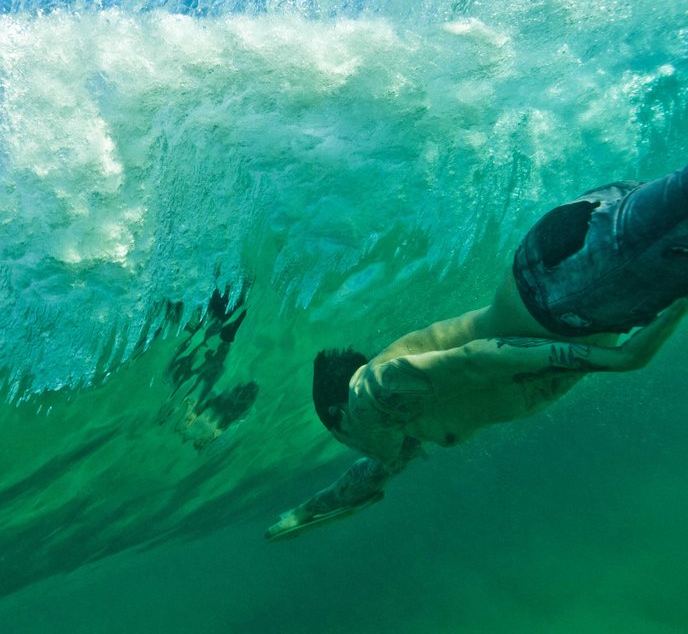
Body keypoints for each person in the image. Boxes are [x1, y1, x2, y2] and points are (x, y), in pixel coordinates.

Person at [266, 165, 688, 540]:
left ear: (341, 414)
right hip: (581, 278)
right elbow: (368, 475)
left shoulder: (372, 396)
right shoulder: (400, 424)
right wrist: (305, 513)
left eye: (344, 440)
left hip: (573, 289)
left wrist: (618, 361)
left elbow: (477, 358)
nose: (359, 452)